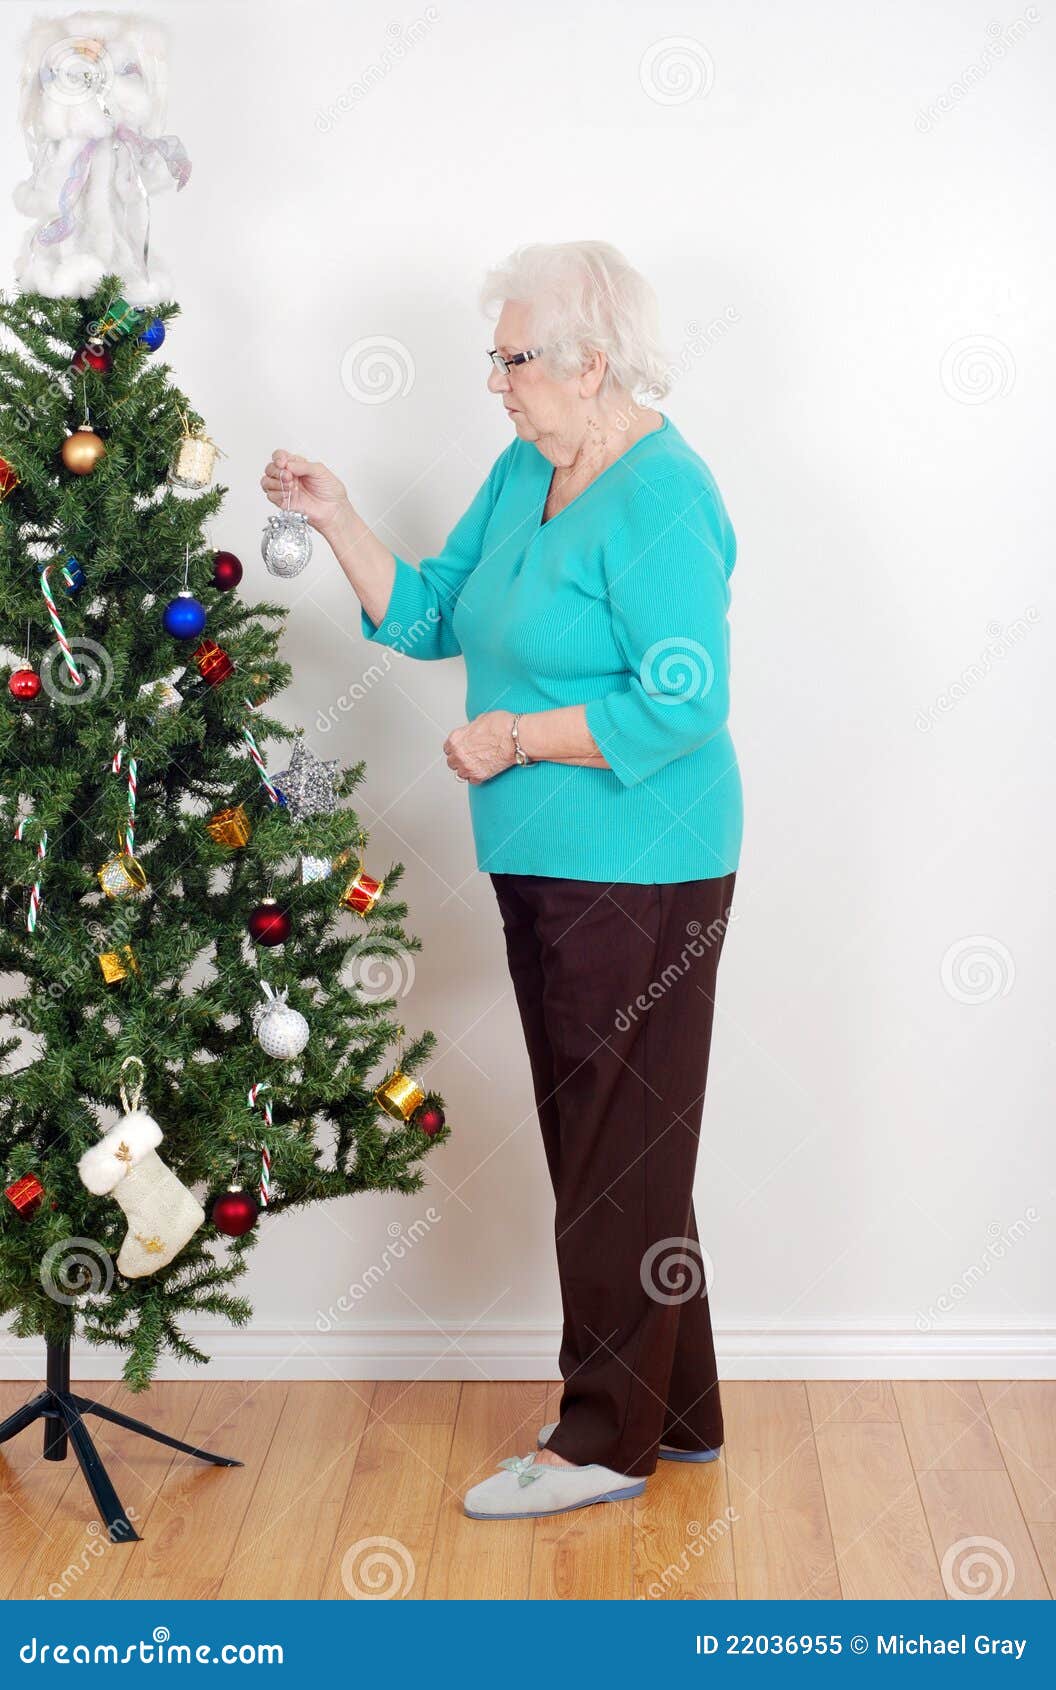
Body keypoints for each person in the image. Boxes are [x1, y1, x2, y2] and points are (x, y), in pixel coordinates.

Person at [261, 239, 742, 1521]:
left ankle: (599, 1444)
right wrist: (337, 514)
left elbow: (688, 697)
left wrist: (518, 736)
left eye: (512, 358)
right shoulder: (527, 467)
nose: (496, 382)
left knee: (610, 1144)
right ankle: (675, 1410)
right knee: (618, 1142)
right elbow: (430, 616)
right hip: (540, 857)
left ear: (592, 364)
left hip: (640, 864)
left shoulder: (659, 495)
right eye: (495, 357)